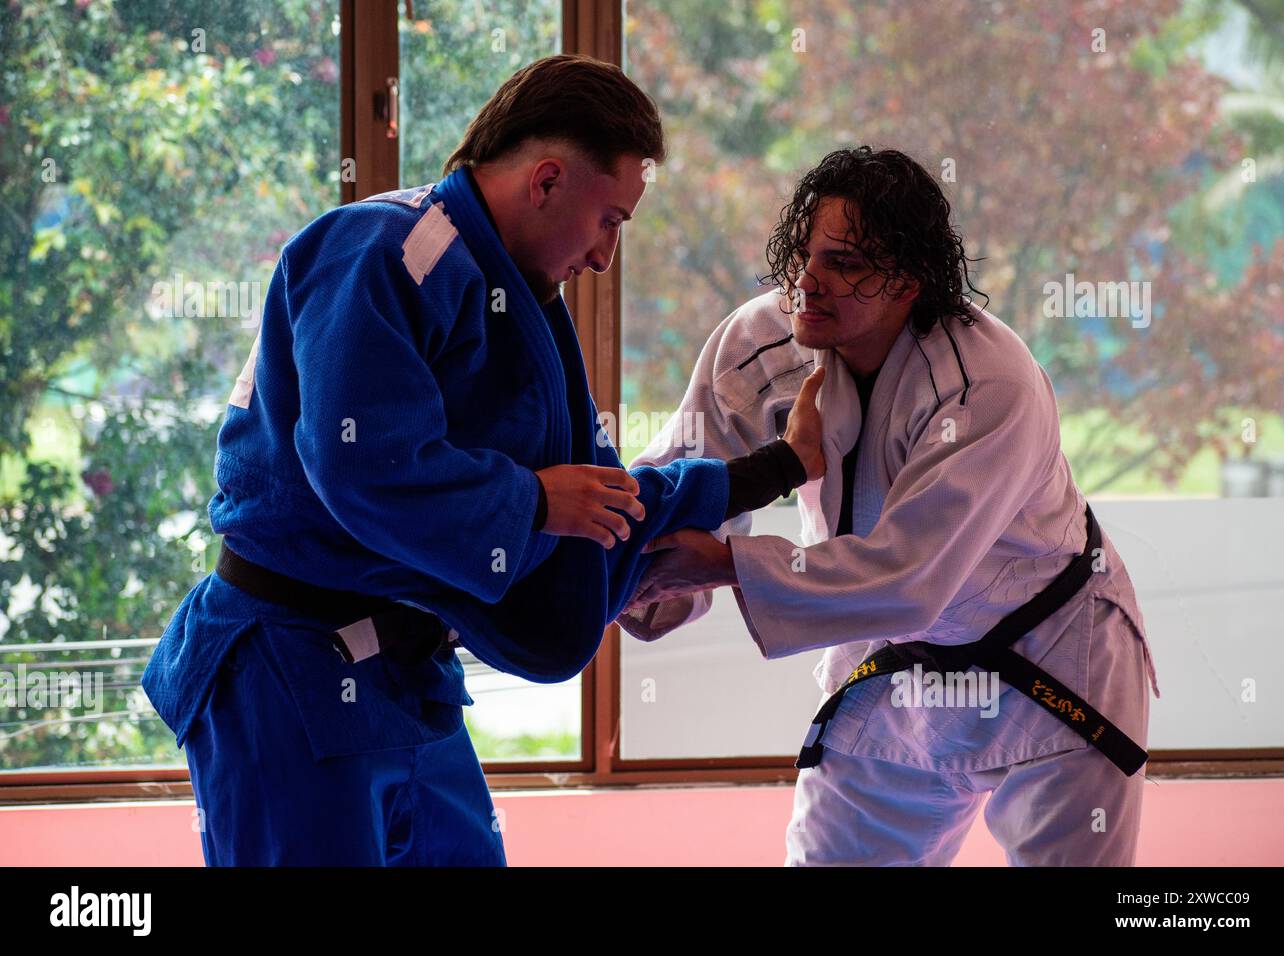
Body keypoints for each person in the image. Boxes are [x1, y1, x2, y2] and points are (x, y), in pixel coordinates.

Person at [141, 54, 824, 866]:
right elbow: (361, 463)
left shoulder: (516, 302)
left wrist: (774, 470)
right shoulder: (379, 249)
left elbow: (593, 494)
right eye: (611, 220)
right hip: (291, 671)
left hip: (404, 673)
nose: (607, 256)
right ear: (545, 182)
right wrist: (535, 506)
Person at [622, 146, 1160, 866]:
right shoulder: (761, 343)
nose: (810, 283)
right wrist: (640, 581)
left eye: (844, 264)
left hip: (1051, 661)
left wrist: (718, 565)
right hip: (896, 674)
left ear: (908, 280)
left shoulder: (987, 384)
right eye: (805, 255)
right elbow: (677, 480)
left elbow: (908, 578)